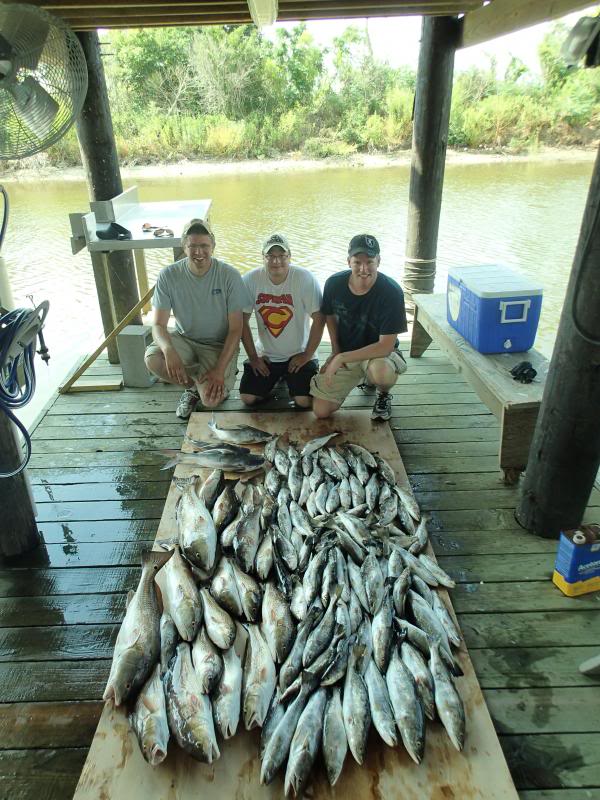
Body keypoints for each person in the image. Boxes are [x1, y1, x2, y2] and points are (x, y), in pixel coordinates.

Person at [145, 218, 251, 419]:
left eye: (204, 246)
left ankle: (216, 378)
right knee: (153, 358)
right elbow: (158, 325)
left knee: (210, 401)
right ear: (184, 247)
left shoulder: (229, 275)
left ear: (213, 246)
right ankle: (193, 387)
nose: (198, 252)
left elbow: (236, 329)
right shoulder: (168, 275)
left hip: (218, 346)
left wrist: (219, 370)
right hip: (185, 340)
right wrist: (168, 350)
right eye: (192, 246)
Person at [310, 233, 408, 422]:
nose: (364, 268)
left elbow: (385, 346)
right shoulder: (333, 283)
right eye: (357, 262)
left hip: (379, 354)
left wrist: (340, 358)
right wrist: (335, 352)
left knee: (381, 373)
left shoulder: (391, 292)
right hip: (347, 352)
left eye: (370, 261)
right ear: (348, 261)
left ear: (378, 261)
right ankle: (364, 376)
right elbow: (329, 315)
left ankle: (383, 394)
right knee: (320, 411)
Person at [240, 233, 324, 409]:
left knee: (304, 401)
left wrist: (307, 355)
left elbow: (319, 318)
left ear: (290, 256)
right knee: (248, 398)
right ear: (263, 257)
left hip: (298, 354)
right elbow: (241, 321)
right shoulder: (250, 280)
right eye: (270, 256)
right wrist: (253, 358)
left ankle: (290, 379)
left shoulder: (304, 278)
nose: (276, 261)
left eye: (281, 256)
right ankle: (277, 380)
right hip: (266, 355)